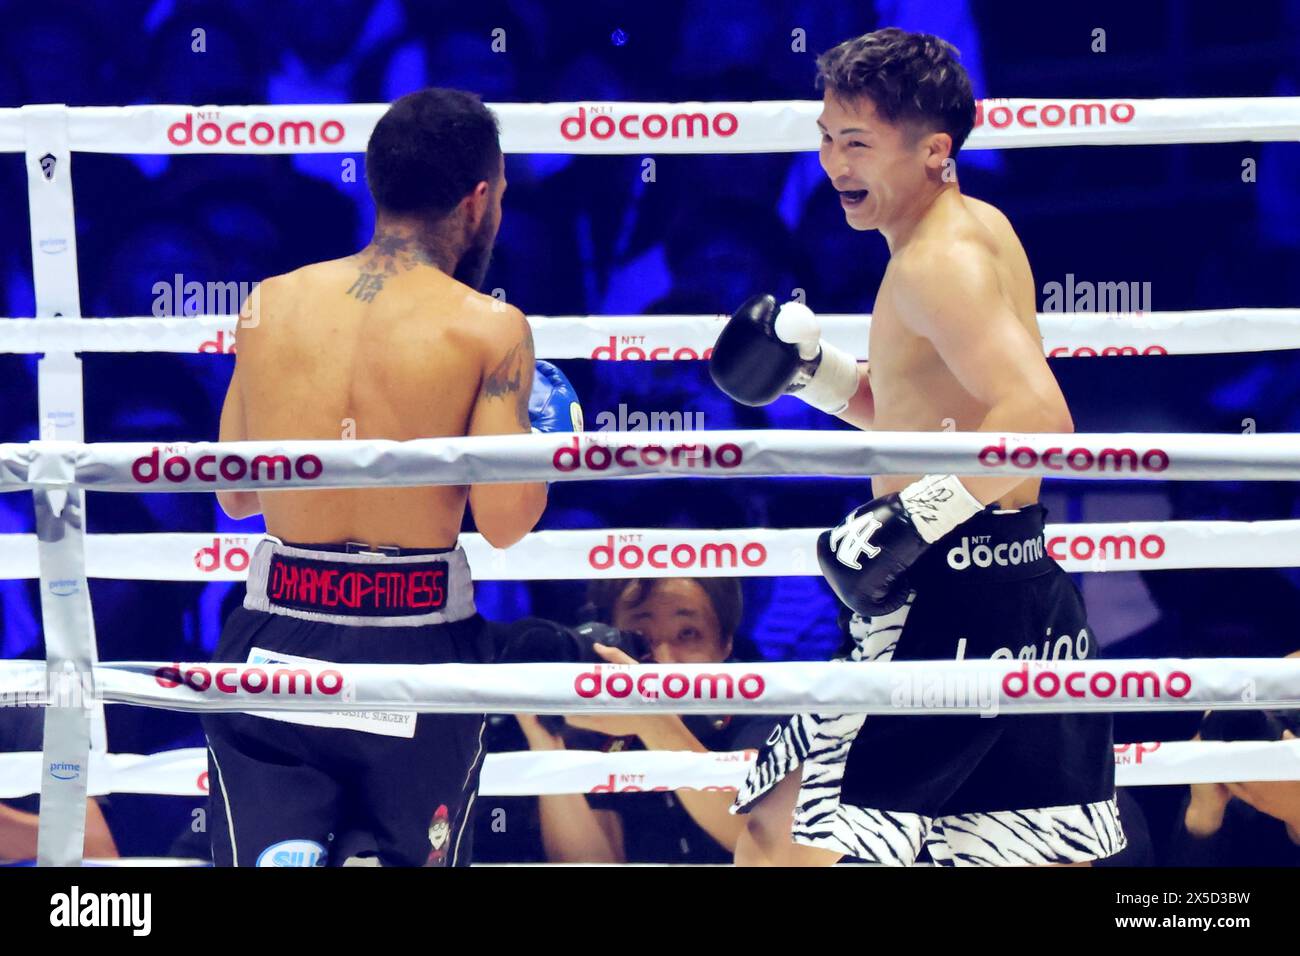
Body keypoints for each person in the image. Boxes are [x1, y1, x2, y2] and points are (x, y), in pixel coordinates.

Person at [709, 28, 1122, 866]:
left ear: (934, 150)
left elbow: (1040, 420)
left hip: (945, 593)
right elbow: (924, 415)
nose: (833, 165)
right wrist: (811, 373)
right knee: (1008, 847)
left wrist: (910, 521)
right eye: (826, 137)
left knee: (775, 835)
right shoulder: (971, 228)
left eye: (857, 144)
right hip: (1010, 586)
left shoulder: (940, 262)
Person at [203, 88, 581, 867]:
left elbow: (237, 495)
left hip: (277, 637)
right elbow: (506, 522)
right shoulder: (491, 326)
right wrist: (549, 437)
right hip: (416, 647)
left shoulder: (270, 304)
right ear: (479, 199)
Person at [515, 577, 781, 863]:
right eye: (641, 636)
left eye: (688, 633)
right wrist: (547, 743)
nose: (664, 660)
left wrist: (652, 722)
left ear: (725, 643)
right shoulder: (596, 722)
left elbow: (762, 844)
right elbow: (592, 861)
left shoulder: (768, 708)